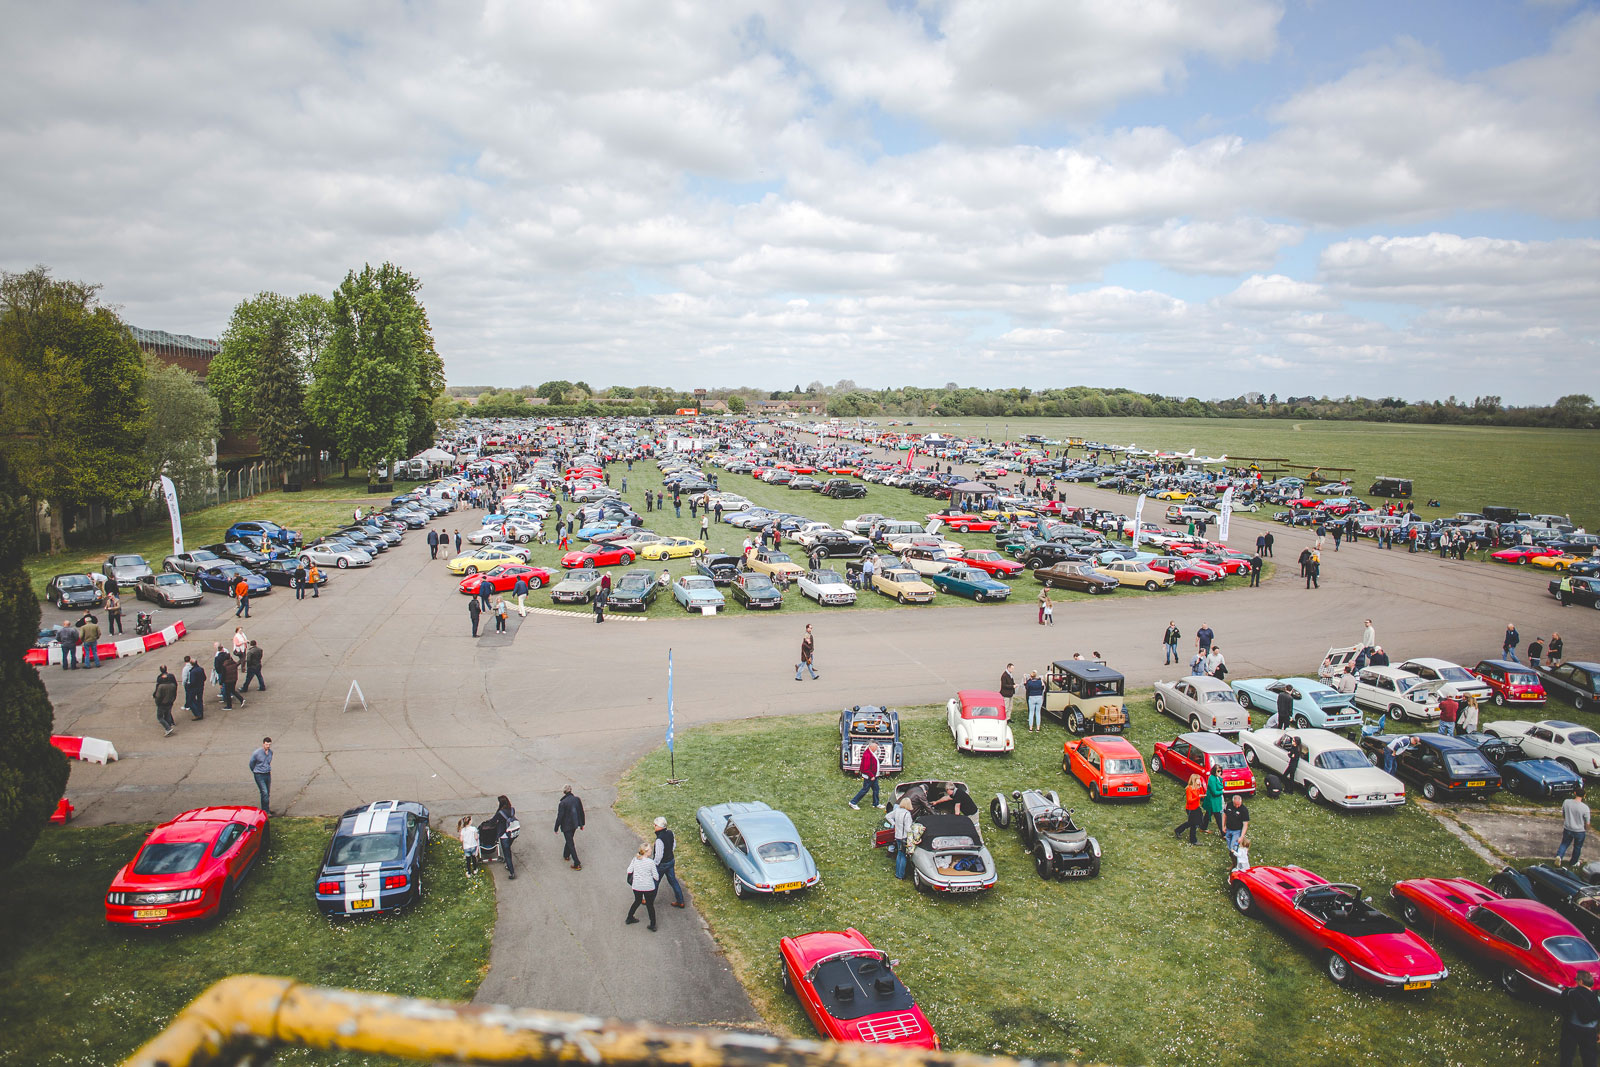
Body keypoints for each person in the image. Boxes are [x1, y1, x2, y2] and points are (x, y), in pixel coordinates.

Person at [1559, 970, 1600, 1067]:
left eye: (1576, 979)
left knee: (1566, 1057)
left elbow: (1562, 1008)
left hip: (1571, 1029)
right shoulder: (1597, 999)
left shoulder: (1570, 993)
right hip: (1590, 1032)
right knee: (1589, 1059)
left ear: (1581, 981)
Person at [625, 843, 660, 931]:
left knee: (637, 901)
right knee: (650, 905)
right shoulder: (651, 862)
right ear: (646, 851)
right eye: (650, 849)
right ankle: (652, 924)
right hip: (648, 887)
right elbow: (656, 877)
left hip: (637, 886)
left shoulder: (635, 859)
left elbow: (629, 870)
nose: (651, 850)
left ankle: (629, 917)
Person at [653, 816, 685, 909]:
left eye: (655, 825)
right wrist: (669, 853)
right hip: (671, 860)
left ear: (660, 827)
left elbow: (658, 855)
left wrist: (655, 864)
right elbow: (673, 844)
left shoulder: (659, 839)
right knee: (673, 881)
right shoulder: (670, 833)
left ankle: (649, 900)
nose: (654, 826)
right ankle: (680, 901)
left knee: (655, 882)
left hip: (662, 864)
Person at [1560, 788, 1591, 866]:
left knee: (1564, 843)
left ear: (1575, 793)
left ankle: (1559, 856)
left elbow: (1563, 813)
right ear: (1584, 795)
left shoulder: (1566, 802)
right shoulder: (1585, 808)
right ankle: (1573, 862)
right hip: (1579, 831)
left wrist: (1566, 820)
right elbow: (1587, 822)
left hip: (1568, 828)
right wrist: (1587, 829)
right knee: (1577, 847)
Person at [555, 785, 585, 870]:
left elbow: (560, 817)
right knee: (569, 839)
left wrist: (556, 827)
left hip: (566, 826)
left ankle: (577, 863)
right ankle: (566, 855)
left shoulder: (562, 803)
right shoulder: (577, 799)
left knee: (570, 843)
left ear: (564, 792)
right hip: (574, 824)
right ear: (571, 790)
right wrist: (582, 824)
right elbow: (581, 812)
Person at [850, 742, 881, 809]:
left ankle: (876, 803)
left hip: (874, 776)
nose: (877, 748)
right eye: (876, 747)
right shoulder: (867, 755)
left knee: (876, 789)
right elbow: (865, 768)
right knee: (865, 790)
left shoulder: (870, 753)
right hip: (870, 777)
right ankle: (853, 802)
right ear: (871, 747)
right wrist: (871, 775)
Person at [888, 796, 914, 879]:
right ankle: (901, 874)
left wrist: (894, 823)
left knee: (899, 854)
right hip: (904, 837)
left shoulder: (897, 811)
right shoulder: (907, 814)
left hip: (898, 836)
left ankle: (897, 873)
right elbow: (908, 829)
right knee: (903, 856)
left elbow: (888, 816)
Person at [1174, 774, 1204, 844]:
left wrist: (1201, 787)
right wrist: (1198, 797)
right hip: (1191, 809)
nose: (1199, 781)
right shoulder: (1189, 789)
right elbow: (1189, 800)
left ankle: (1178, 830)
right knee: (1193, 824)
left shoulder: (1197, 788)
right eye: (1198, 779)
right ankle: (1193, 840)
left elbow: (1202, 796)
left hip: (1196, 807)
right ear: (1194, 780)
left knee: (1191, 823)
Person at [153, 665, 178, 736]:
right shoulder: (172, 685)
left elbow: (158, 696)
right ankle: (169, 725)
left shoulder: (161, 686)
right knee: (168, 714)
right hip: (170, 701)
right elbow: (175, 692)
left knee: (160, 717)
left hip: (163, 703)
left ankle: (168, 728)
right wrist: (173, 699)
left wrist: (157, 703)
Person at [250, 738, 273, 812]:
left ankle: (266, 808)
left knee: (267, 793)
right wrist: (255, 771)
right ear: (263, 744)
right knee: (264, 792)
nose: (268, 746)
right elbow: (251, 763)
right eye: (266, 744)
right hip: (259, 774)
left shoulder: (270, 752)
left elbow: (268, 762)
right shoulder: (257, 753)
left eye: (269, 744)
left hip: (267, 774)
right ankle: (265, 811)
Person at [1203, 767, 1225, 834]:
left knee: (1208, 814)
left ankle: (1203, 827)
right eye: (1218, 771)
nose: (1220, 773)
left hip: (1217, 800)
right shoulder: (1212, 779)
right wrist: (1222, 792)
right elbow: (1214, 792)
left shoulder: (1218, 778)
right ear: (1214, 771)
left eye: (1220, 771)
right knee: (1218, 816)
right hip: (1213, 801)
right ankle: (1223, 833)